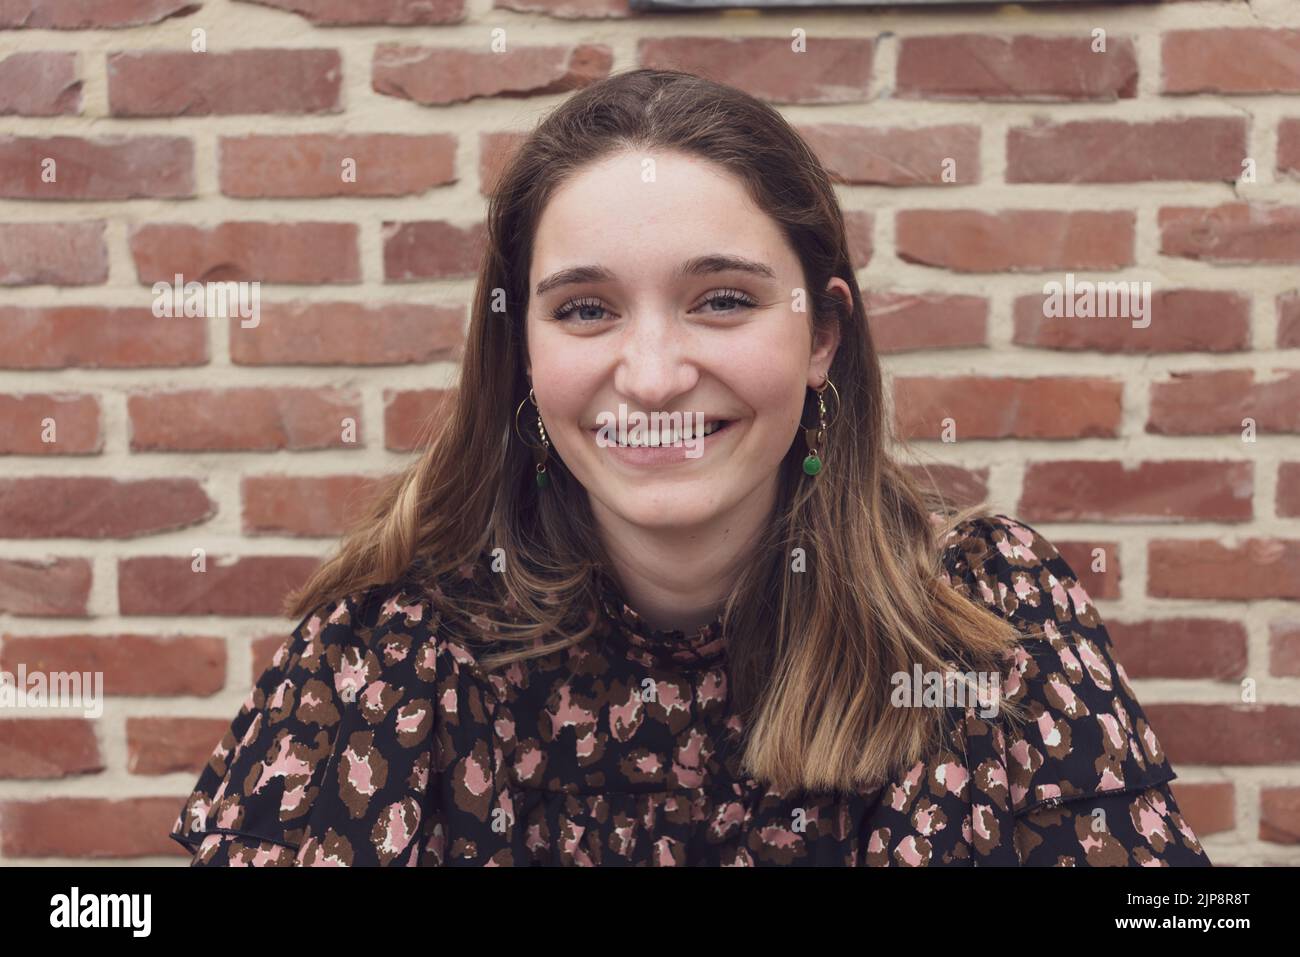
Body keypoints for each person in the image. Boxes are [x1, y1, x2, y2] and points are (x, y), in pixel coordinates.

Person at [169, 68, 1210, 867]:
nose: (656, 377)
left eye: (721, 299)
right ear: (521, 352)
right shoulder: (393, 651)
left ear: (821, 337)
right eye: (586, 309)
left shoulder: (987, 622)